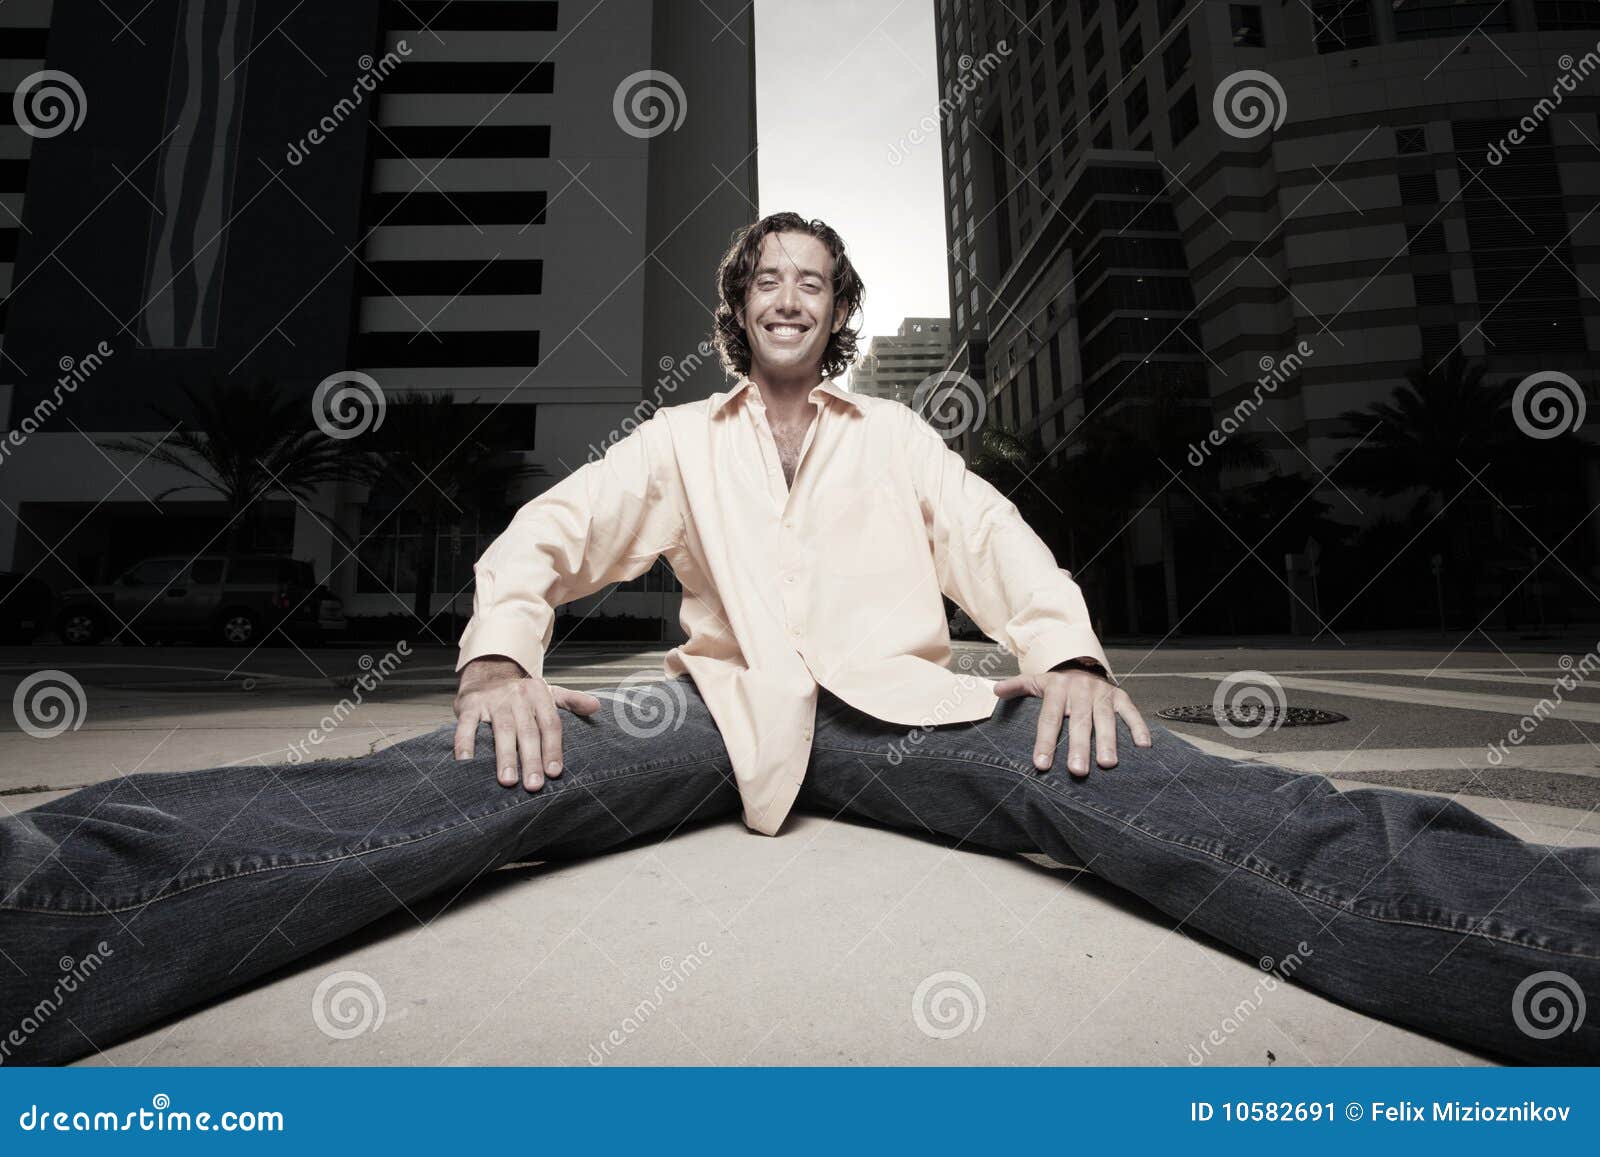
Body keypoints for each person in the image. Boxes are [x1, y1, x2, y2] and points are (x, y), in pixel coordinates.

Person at [1, 213, 1595, 1065]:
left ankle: (1549, 938)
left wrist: (1071, 654)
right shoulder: (677, 439)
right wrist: (499, 653)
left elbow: (997, 540)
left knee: (1163, 793)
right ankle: (44, 907)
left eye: (813, 284)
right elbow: (548, 537)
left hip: (913, 704)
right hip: (711, 702)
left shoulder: (895, 436)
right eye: (765, 280)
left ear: (839, 313)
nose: (787, 300)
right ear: (736, 307)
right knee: (450, 786)